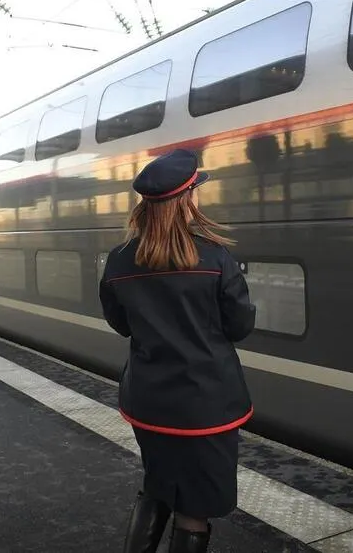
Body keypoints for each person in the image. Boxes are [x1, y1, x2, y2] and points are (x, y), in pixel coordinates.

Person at [99, 149, 256, 553]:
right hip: (205, 407)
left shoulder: (119, 261)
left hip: (149, 403)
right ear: (187, 199)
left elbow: (121, 325)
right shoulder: (215, 258)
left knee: (157, 486)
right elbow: (240, 326)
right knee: (195, 507)